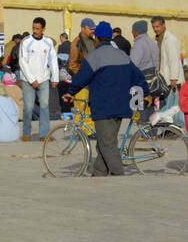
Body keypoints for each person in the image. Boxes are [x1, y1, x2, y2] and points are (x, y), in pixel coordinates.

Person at [62, 21, 149, 176]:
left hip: (103, 106)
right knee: (106, 141)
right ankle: (99, 174)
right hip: (122, 106)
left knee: (106, 143)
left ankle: (119, 175)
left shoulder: (94, 56)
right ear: (110, 38)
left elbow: (82, 77)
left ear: (97, 38)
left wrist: (71, 92)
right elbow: (138, 76)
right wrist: (147, 93)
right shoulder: (122, 55)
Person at [18, 17, 58, 141]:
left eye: (38, 28)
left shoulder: (48, 42)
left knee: (45, 105)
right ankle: (26, 133)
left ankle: (44, 134)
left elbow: (53, 60)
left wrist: (55, 78)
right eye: (33, 28)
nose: (35, 31)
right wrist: (31, 79)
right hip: (28, 80)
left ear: (43, 29)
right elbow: (22, 62)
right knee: (28, 107)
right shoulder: (26, 41)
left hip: (44, 79)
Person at [153, 16, 183, 120]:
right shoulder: (159, 38)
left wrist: (174, 78)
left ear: (163, 25)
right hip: (165, 78)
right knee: (167, 106)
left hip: (172, 79)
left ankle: (173, 129)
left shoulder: (170, 39)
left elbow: (174, 60)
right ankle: (169, 129)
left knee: (171, 107)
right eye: (154, 27)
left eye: (157, 26)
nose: (155, 29)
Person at [130, 20, 160, 89]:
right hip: (154, 81)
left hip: (142, 82)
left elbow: (133, 65)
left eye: (133, 30)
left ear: (137, 31)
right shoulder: (153, 42)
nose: (132, 32)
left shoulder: (138, 44)